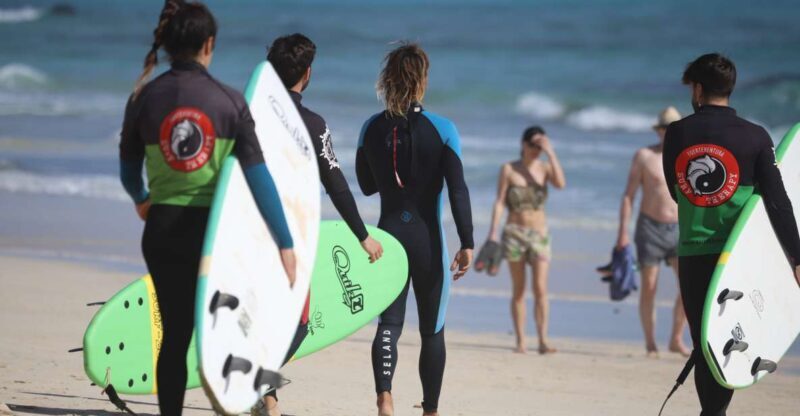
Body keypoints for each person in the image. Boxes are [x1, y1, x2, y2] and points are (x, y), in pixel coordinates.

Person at [118, 2, 296, 414]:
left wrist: (143, 200)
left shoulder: (144, 98)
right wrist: (285, 241)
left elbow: (128, 170)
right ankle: (241, 403)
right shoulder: (229, 102)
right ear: (209, 44)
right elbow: (259, 179)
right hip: (214, 238)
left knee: (176, 336)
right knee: (226, 331)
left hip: (161, 232)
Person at [251, 33, 385, 416]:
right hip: (291, 238)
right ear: (307, 73)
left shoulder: (248, 116)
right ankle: (257, 382)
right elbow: (336, 183)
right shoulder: (312, 124)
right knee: (299, 323)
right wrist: (362, 235)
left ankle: (267, 403)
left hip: (246, 232)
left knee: (260, 316)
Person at [663, 52, 800, 415]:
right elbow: (778, 202)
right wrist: (797, 258)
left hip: (694, 253)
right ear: (731, 89)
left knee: (704, 343)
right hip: (741, 256)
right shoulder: (756, 136)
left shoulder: (677, 133)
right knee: (728, 341)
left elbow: (675, 190)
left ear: (697, 89)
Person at [356, 43, 473, 416]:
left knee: (389, 324)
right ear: (422, 80)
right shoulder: (443, 129)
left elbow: (366, 185)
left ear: (388, 78)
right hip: (428, 241)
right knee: (432, 330)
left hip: (387, 237)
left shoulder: (371, 127)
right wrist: (467, 241)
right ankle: (430, 411)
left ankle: (385, 398)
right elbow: (457, 189)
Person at [615, 106, 690, 358]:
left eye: (673, 129)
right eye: (665, 128)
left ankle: (676, 338)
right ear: (658, 131)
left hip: (681, 228)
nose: (668, 133)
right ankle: (650, 343)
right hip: (650, 227)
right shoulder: (644, 156)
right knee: (649, 286)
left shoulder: (688, 158)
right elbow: (628, 196)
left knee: (688, 287)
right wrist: (622, 234)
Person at [484, 126, 566, 354]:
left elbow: (561, 184)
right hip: (514, 233)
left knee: (540, 288)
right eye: (534, 145)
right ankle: (520, 341)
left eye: (540, 146)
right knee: (519, 289)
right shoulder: (509, 169)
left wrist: (551, 152)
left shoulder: (545, 168)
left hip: (539, 235)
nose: (536, 150)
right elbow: (500, 201)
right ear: (523, 144)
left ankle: (542, 340)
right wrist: (493, 231)